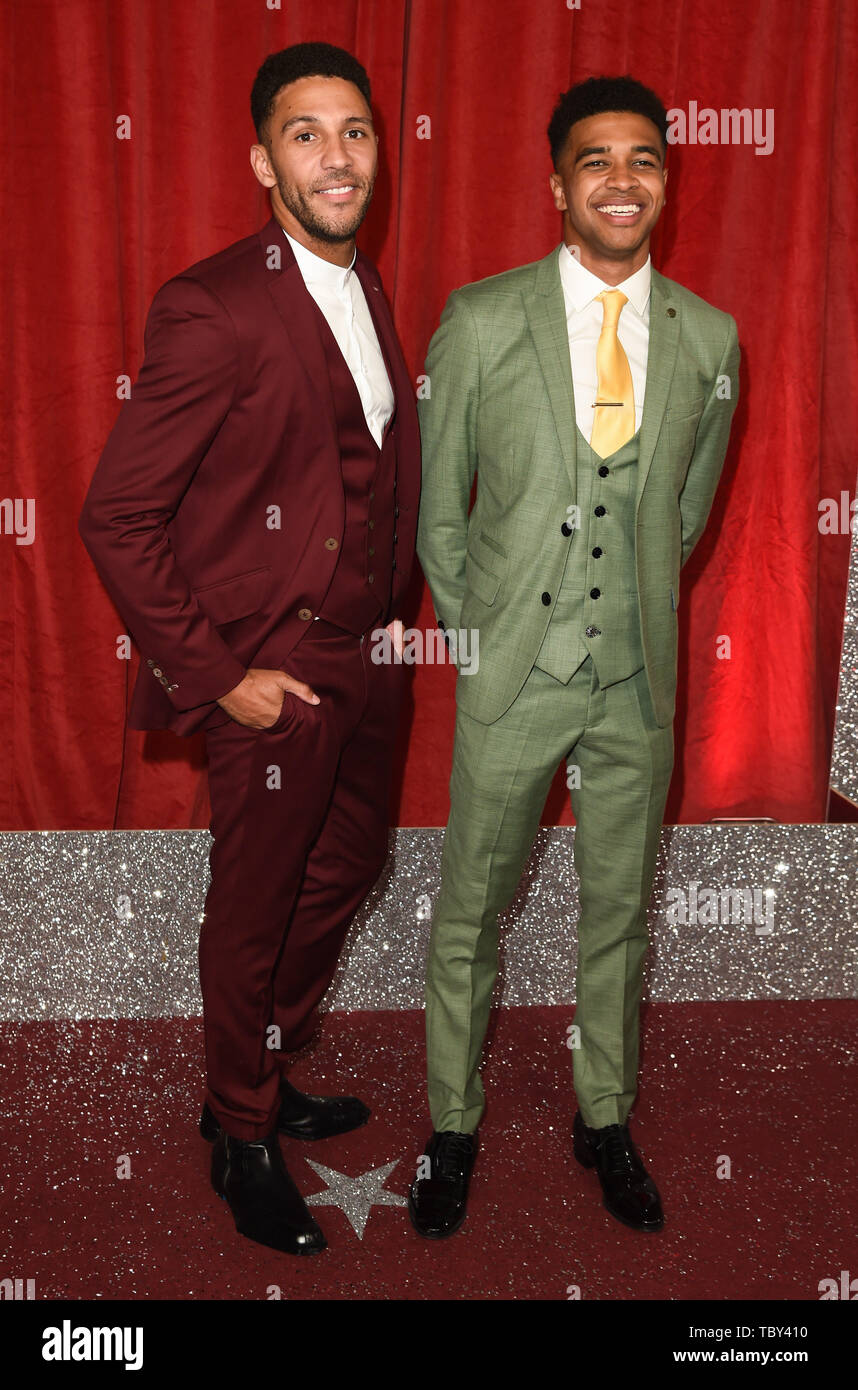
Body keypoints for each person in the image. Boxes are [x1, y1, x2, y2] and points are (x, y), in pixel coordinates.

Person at [79, 42, 420, 1256]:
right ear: (261, 157)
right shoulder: (210, 303)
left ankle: (261, 1070)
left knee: (347, 865)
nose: (337, 156)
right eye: (307, 133)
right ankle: (239, 1132)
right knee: (258, 897)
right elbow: (114, 515)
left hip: (371, 659)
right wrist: (221, 676)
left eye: (355, 132)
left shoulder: (367, 284)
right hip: (270, 672)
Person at [409, 74, 740, 1238]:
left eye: (642, 158)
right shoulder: (480, 317)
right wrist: (486, 639)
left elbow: (683, 515)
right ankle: (450, 1124)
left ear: (665, 179)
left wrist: (620, 613)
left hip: (634, 683)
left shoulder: (709, 337)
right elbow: (436, 516)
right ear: (556, 182)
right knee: (468, 914)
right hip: (513, 681)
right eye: (594, 159)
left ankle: (603, 1113)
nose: (619, 178)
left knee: (619, 913)